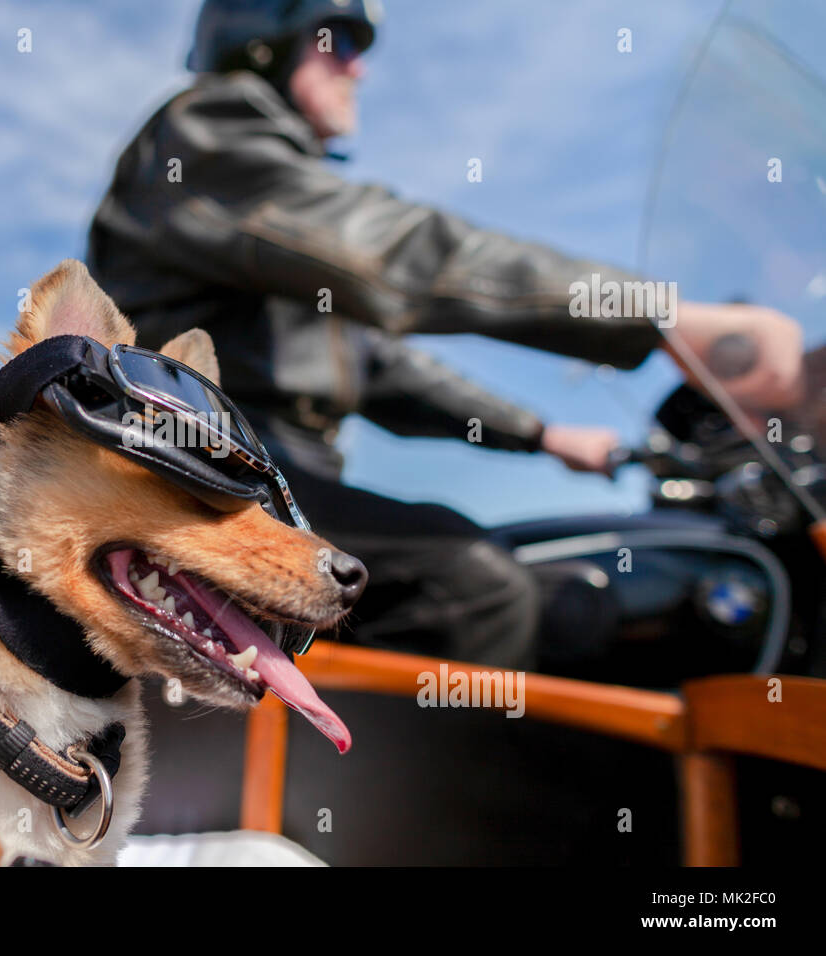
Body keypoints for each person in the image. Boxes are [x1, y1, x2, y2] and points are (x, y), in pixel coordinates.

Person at [85, 0, 803, 668]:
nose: (357, 67)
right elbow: (401, 258)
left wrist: (543, 434)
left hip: (279, 472)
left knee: (551, 584)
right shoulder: (210, 131)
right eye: (335, 42)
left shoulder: (274, 198)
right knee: (474, 584)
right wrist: (659, 318)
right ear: (263, 44)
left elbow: (378, 366)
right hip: (203, 467)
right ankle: (362, 805)